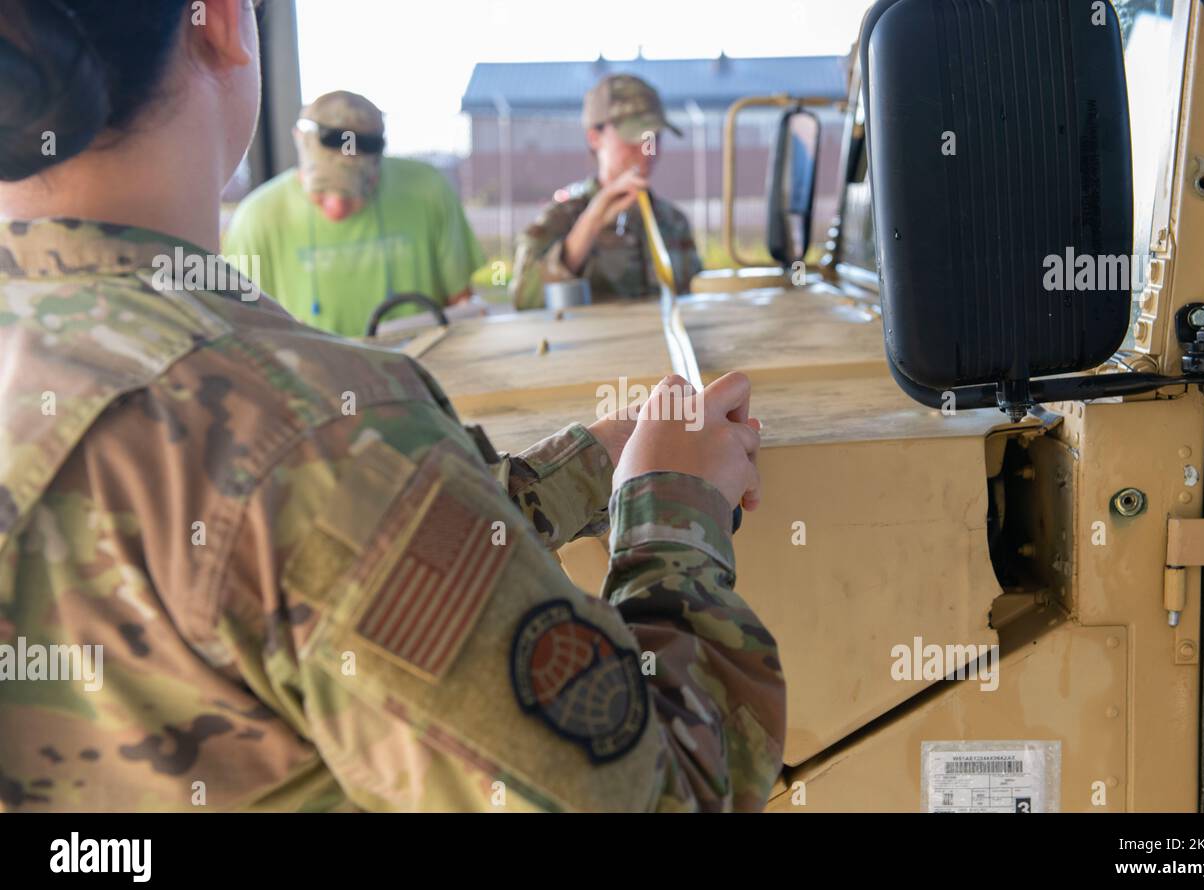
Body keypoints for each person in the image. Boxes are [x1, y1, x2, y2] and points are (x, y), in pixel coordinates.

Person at [0, 0, 781, 812]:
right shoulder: (309, 434)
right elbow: (664, 797)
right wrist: (670, 518)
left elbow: (319, 570)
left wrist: (586, 467)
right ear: (223, 20)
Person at [222, 90, 486, 337]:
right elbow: (242, 328)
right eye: (321, 191)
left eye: (352, 192)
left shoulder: (428, 191)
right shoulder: (256, 218)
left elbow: (461, 303)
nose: (336, 208)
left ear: (377, 169)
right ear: (298, 143)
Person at [510, 74, 703, 309]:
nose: (646, 151)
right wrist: (588, 226)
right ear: (594, 137)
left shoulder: (672, 222)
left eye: (653, 138)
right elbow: (523, 299)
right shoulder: (561, 219)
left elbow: (695, 299)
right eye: (633, 137)